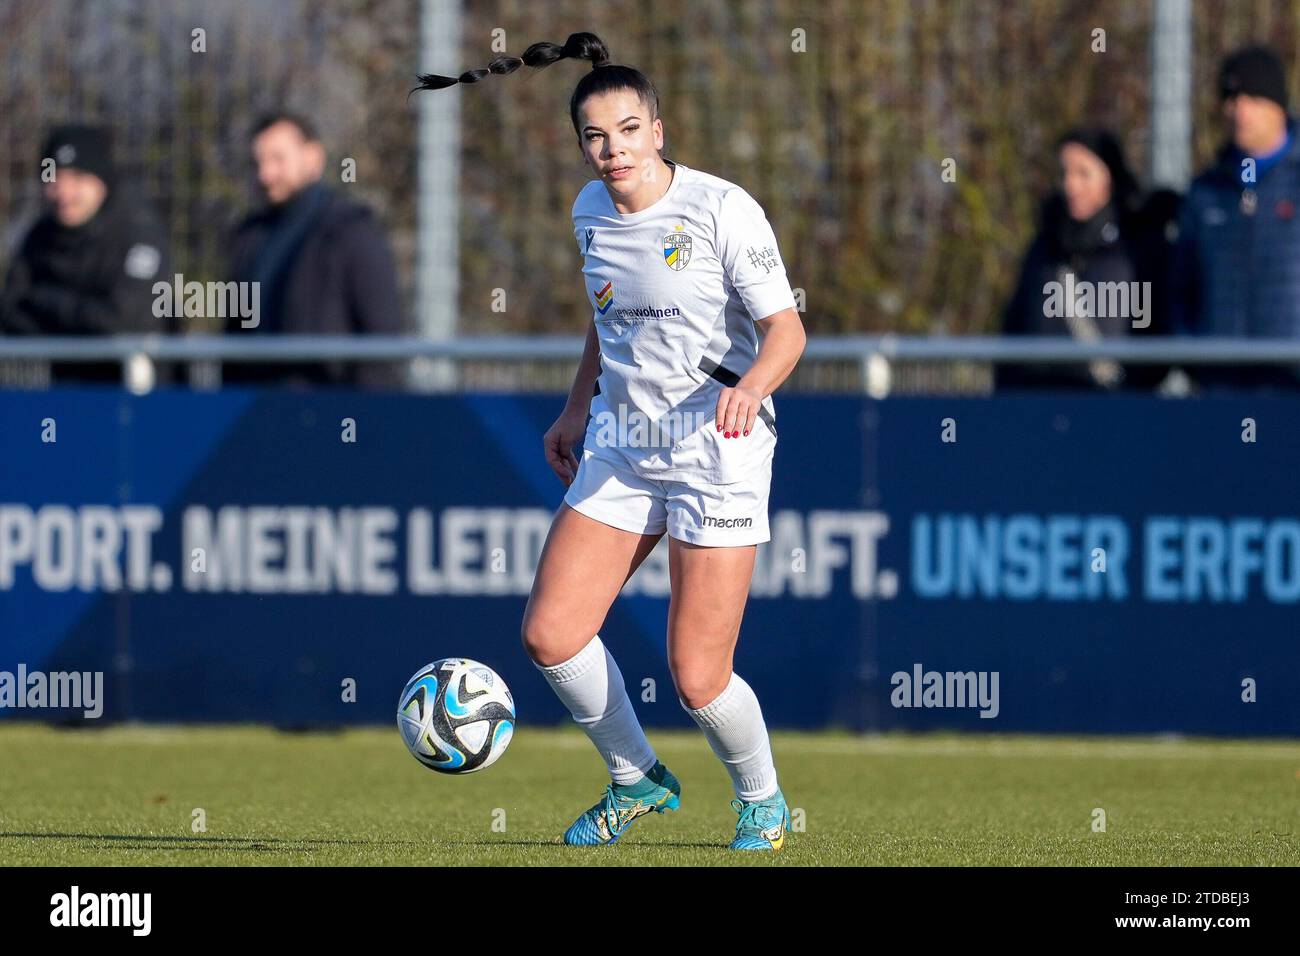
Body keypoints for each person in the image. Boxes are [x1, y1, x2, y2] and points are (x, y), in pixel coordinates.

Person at [415, 32, 808, 850]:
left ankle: (764, 802)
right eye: (595, 136)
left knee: (698, 679)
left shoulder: (721, 209)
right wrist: (573, 408)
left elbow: (786, 333)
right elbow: (609, 322)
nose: (612, 150)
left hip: (716, 450)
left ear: (657, 131)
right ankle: (636, 779)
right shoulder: (588, 211)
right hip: (623, 444)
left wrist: (750, 390)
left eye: (628, 130)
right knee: (550, 634)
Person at [224, 112, 409, 388]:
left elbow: (381, 341)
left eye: (278, 159)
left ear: (313, 157)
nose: (265, 174)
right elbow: (234, 335)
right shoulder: (249, 235)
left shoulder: (352, 231)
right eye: (258, 162)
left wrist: (365, 420)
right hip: (257, 411)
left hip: (328, 409)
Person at [996, 128, 1178, 391]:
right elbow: (1015, 328)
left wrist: (1132, 394)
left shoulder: (1138, 249)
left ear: (1110, 176)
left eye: (1083, 173)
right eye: (1065, 173)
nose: (1071, 185)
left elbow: (1157, 333)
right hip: (1040, 404)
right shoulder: (1044, 247)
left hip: (1113, 412)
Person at [0, 124, 172, 384]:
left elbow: (122, 322)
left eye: (77, 177)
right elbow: (11, 309)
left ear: (101, 180)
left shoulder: (138, 233)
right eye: (53, 178)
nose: (64, 192)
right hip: (58, 395)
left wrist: (47, 303)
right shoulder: (40, 236)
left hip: (131, 401)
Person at [1171, 45, 1300, 390]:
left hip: (1289, 389)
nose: (1239, 111)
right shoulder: (1205, 192)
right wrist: (1194, 358)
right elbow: (1181, 288)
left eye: (1253, 99)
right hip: (1221, 392)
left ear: (1278, 105)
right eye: (1231, 99)